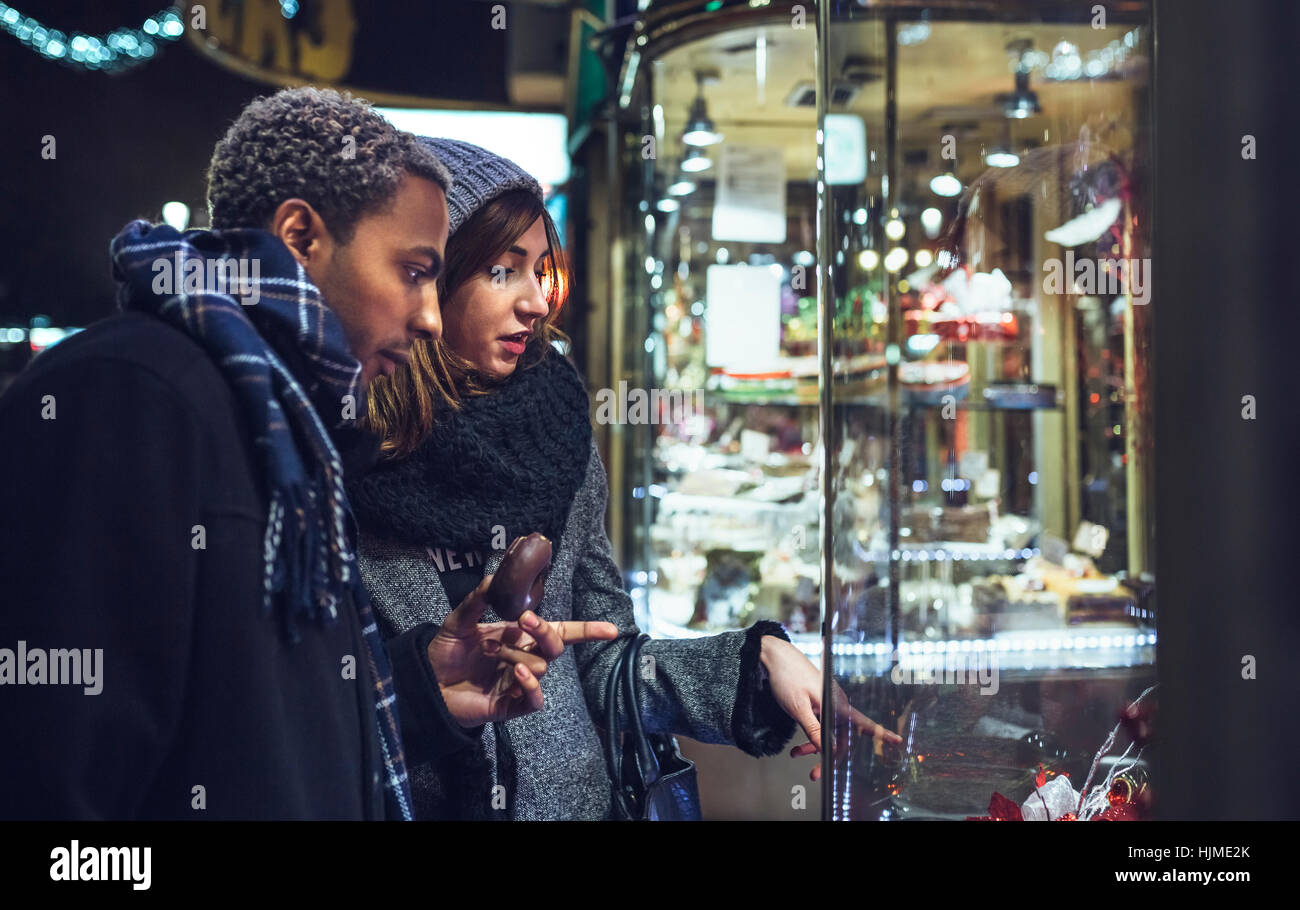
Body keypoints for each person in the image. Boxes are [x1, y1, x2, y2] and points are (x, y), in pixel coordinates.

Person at [0, 88, 614, 820]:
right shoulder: (127, 393)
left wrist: (420, 687)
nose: (427, 316)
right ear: (299, 237)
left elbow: (259, 726)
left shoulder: (299, 433)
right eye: (417, 272)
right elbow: (54, 786)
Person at [348, 138, 902, 820]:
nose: (535, 302)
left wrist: (756, 663)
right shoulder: (345, 455)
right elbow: (310, 717)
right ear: (433, 275)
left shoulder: (556, 436)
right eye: (502, 271)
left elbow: (606, 660)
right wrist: (425, 700)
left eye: (540, 271)